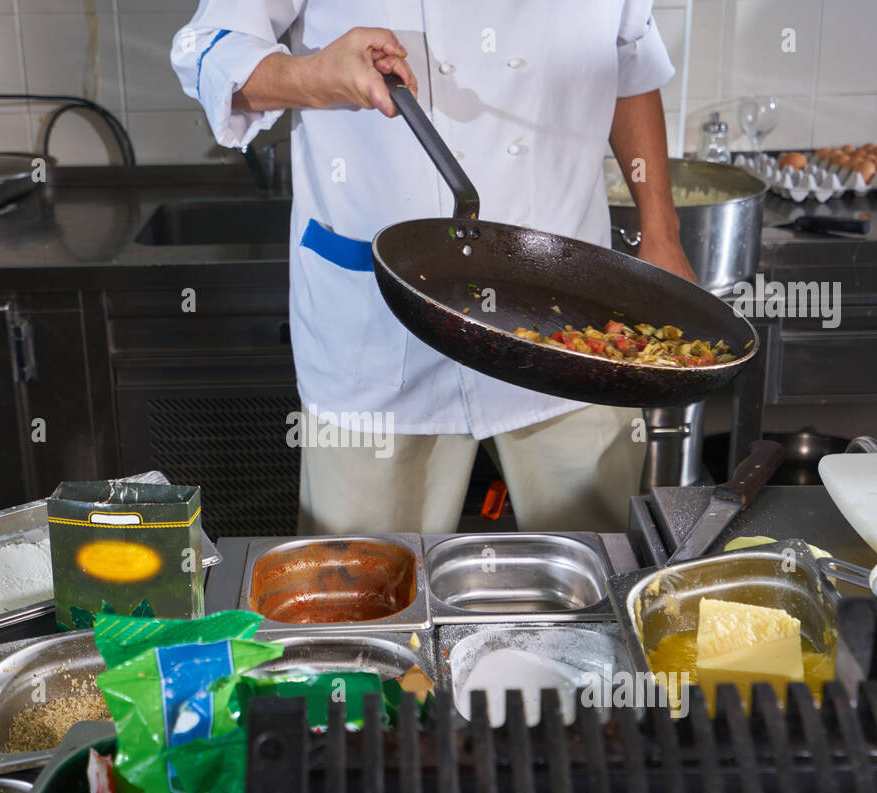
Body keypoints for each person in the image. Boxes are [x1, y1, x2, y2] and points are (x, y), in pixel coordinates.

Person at [171, 1, 696, 534]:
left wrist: (661, 234)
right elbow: (206, 52)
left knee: (601, 572)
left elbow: (627, 64)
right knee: (364, 593)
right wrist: (314, 76)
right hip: (380, 323)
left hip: (569, 317)